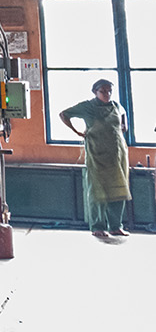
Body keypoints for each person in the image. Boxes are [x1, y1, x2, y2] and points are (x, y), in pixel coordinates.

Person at [58, 79, 132, 238]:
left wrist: (124, 127)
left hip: (117, 154)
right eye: (103, 91)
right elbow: (64, 114)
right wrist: (77, 132)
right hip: (97, 155)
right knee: (98, 190)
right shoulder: (87, 107)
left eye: (110, 91)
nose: (108, 94)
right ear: (95, 92)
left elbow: (124, 115)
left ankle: (115, 226)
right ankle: (98, 226)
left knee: (119, 189)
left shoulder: (116, 106)